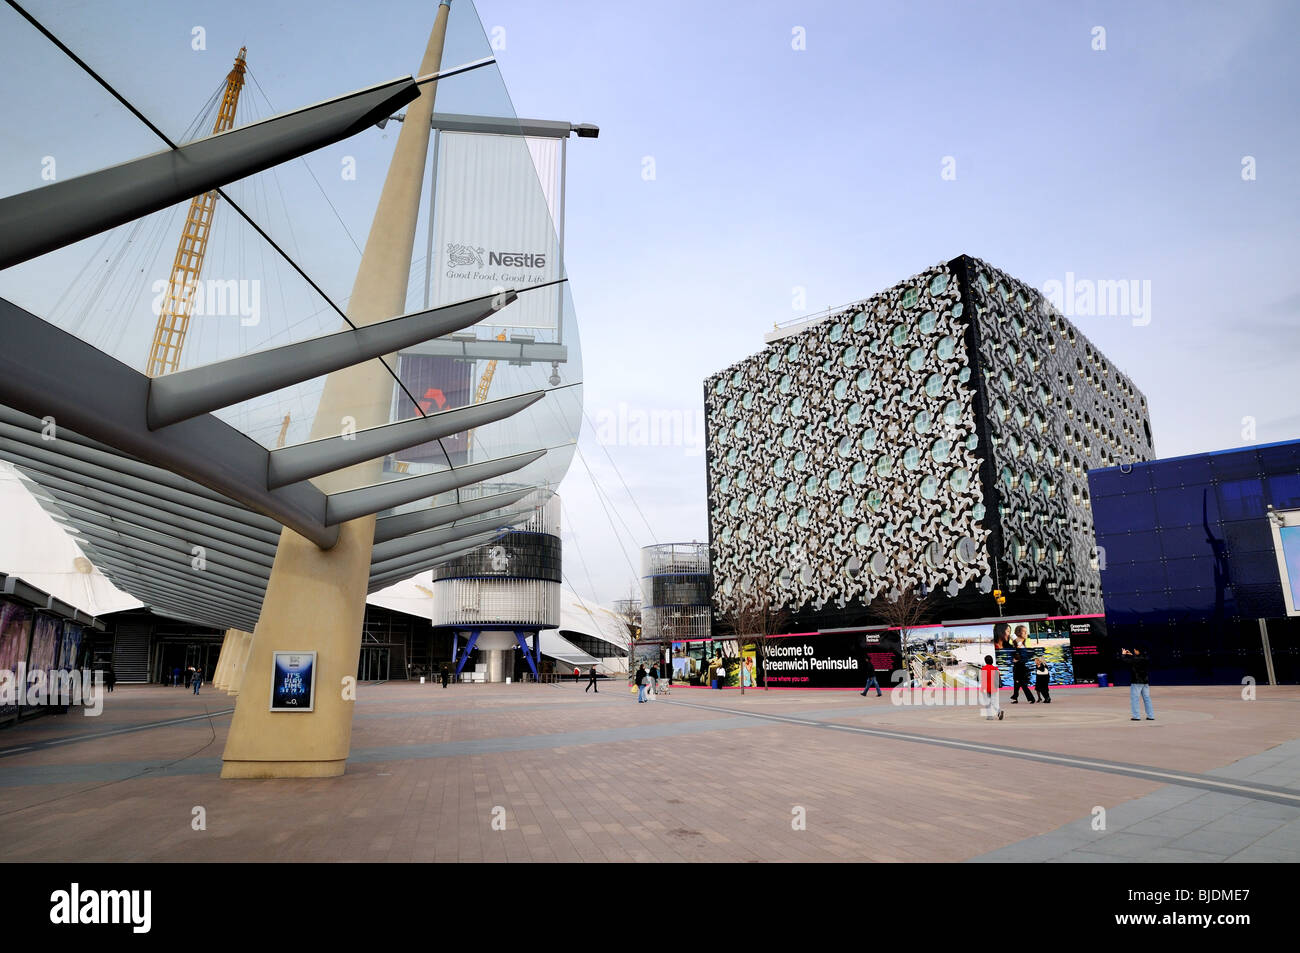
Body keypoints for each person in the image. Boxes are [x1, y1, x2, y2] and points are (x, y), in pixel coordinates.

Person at [1123, 647, 1155, 721]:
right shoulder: (1145, 658)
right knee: (1147, 699)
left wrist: (1123, 655)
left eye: (1135, 650)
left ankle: (1136, 716)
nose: (1134, 651)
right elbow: (1136, 659)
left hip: (1136, 682)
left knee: (1135, 699)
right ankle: (1151, 715)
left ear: (1138, 651)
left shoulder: (1135, 659)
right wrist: (1131, 655)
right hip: (1145, 682)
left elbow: (1126, 661)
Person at [980, 654, 1003, 720]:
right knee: (994, 701)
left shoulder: (983, 669)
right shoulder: (995, 668)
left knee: (987, 702)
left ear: (985, 661)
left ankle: (990, 716)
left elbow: (982, 679)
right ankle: (999, 711)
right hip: (994, 687)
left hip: (986, 688)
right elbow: (998, 677)